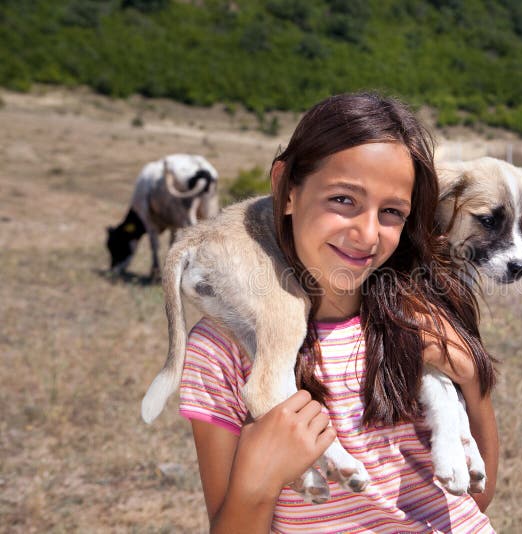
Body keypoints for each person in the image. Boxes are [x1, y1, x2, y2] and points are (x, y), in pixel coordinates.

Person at [179, 93, 498, 532]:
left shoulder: (418, 317)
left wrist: (473, 383)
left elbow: (475, 501)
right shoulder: (223, 349)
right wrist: (257, 479)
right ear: (286, 189)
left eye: (391, 212)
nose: (367, 235)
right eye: (344, 200)